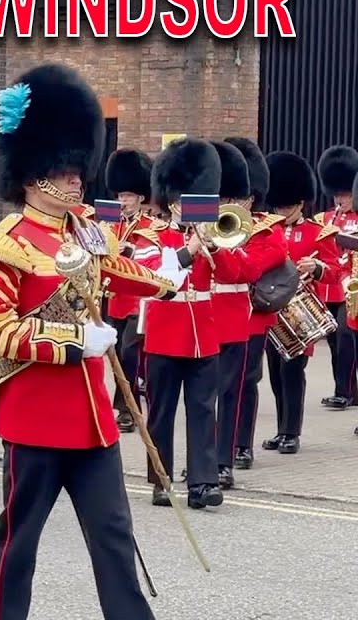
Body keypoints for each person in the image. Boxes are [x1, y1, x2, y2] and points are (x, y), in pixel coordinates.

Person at [0, 64, 174, 619]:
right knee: (18, 545)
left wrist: (170, 279)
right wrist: (73, 341)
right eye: (66, 168)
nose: (79, 179)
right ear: (33, 173)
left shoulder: (86, 231)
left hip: (93, 421)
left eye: (80, 168)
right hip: (34, 422)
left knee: (114, 542)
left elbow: (117, 268)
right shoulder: (5, 243)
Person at [142, 138, 238, 510]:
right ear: (171, 201)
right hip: (165, 337)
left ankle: (203, 482)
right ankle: (161, 480)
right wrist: (191, 250)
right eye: (185, 199)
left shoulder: (215, 236)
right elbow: (155, 277)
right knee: (161, 413)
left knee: (202, 411)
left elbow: (238, 273)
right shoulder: (152, 237)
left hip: (204, 339)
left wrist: (217, 250)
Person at [209, 140, 282, 490]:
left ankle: (238, 448)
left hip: (247, 318)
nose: (229, 203)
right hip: (207, 316)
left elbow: (255, 268)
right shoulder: (206, 224)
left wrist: (229, 245)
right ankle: (205, 458)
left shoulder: (266, 229)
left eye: (235, 197)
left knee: (239, 386)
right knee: (205, 393)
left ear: (251, 198)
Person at [261, 151, 340, 455]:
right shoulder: (268, 231)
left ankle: (292, 432)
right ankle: (282, 429)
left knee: (292, 372)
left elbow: (335, 272)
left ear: (301, 203)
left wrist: (316, 268)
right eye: (279, 205)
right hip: (271, 310)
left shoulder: (318, 233)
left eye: (288, 206)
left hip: (300, 315)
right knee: (276, 372)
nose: (282, 211)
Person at [102, 149, 159, 432]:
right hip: (115, 298)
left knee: (129, 354)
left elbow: (154, 253)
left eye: (128, 197)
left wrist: (132, 249)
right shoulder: (111, 224)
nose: (122, 202)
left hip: (139, 300)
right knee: (117, 356)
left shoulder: (150, 225)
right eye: (120, 196)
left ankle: (127, 410)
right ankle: (129, 405)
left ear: (140, 198)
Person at [314, 146, 358, 409]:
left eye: (346, 193)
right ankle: (343, 387)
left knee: (345, 337)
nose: (341, 198)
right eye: (338, 193)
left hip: (350, 287)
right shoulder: (325, 218)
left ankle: (346, 391)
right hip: (329, 285)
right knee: (333, 340)